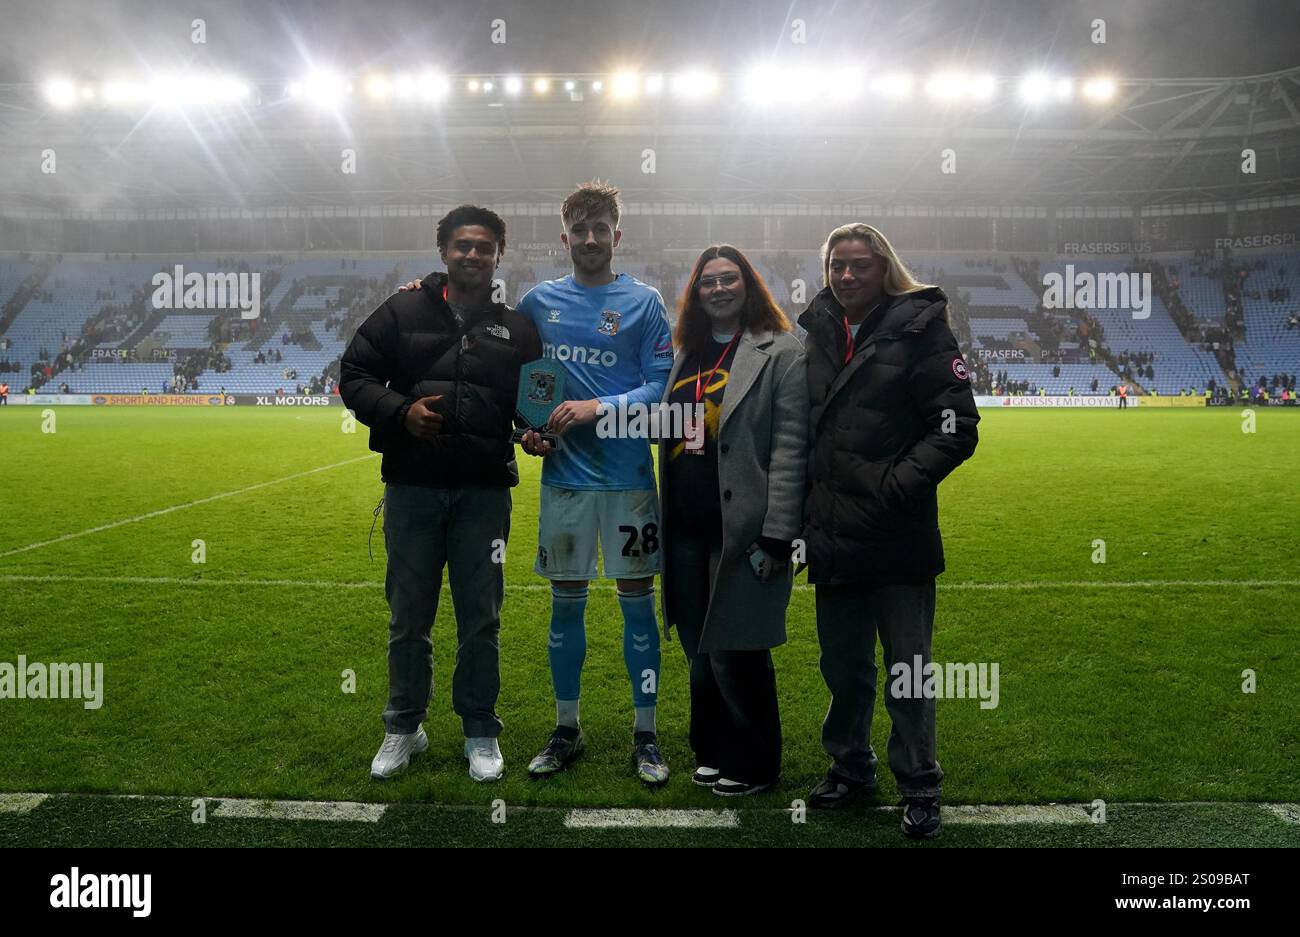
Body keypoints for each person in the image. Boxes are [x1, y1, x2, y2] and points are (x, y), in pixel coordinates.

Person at [397, 182, 674, 786]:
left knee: (638, 613)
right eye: (581, 229)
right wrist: (530, 429)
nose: (592, 239)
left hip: (628, 479)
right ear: (565, 237)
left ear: (617, 236)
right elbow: (524, 381)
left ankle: (646, 735)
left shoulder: (646, 303)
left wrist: (597, 407)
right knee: (564, 610)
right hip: (566, 480)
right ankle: (566, 728)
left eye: (602, 229)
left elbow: (659, 386)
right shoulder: (538, 303)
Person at [341, 205, 542, 784]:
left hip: (484, 495)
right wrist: (401, 413)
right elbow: (352, 375)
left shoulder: (518, 328)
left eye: (484, 246)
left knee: (482, 620)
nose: (473, 255)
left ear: (498, 254)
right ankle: (405, 726)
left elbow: (531, 407)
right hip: (412, 490)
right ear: (444, 252)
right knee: (409, 619)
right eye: (462, 245)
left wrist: (534, 434)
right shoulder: (402, 310)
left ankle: (480, 730)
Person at [798, 223, 978, 840]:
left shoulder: (921, 328)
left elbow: (956, 427)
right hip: (832, 536)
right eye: (836, 266)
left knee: (909, 669)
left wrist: (894, 487)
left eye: (859, 266)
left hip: (898, 539)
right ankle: (850, 768)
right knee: (842, 668)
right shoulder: (814, 331)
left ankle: (920, 783)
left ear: (884, 270)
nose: (846, 277)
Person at [659, 245, 808, 796]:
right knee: (698, 648)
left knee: (740, 648)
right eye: (707, 282)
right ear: (695, 293)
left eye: (729, 279)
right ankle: (714, 747)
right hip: (685, 527)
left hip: (744, 528)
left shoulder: (782, 351)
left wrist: (777, 536)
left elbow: (792, 447)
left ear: (749, 285)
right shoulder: (688, 351)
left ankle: (756, 762)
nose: (718, 289)